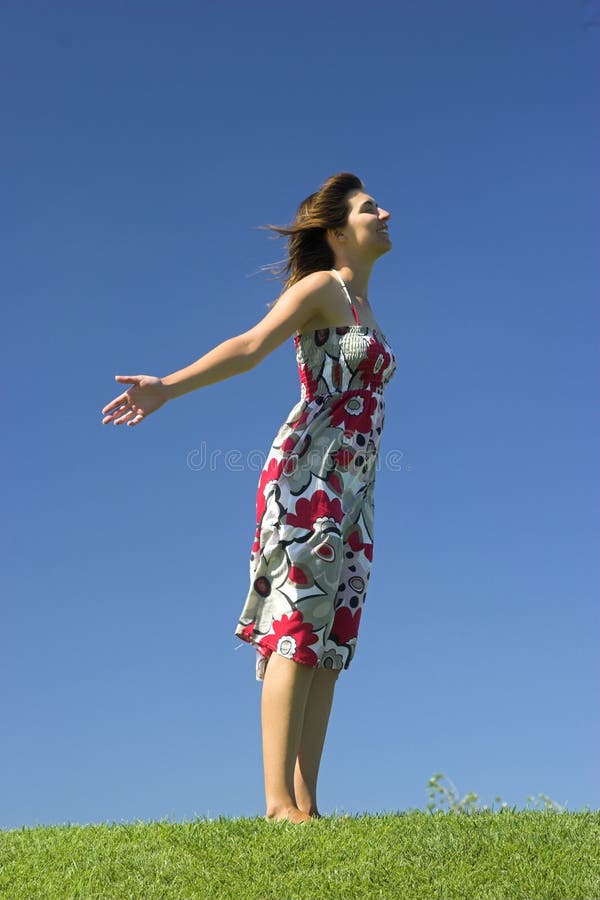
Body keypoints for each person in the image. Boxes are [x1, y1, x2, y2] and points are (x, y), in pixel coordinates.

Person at [100, 172, 397, 824]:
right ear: (336, 230)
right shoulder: (321, 288)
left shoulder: (365, 307)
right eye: (369, 208)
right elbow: (251, 346)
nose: (385, 214)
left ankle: (308, 805)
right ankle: (277, 803)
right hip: (308, 482)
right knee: (295, 629)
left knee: (330, 641)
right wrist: (167, 387)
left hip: (354, 493)